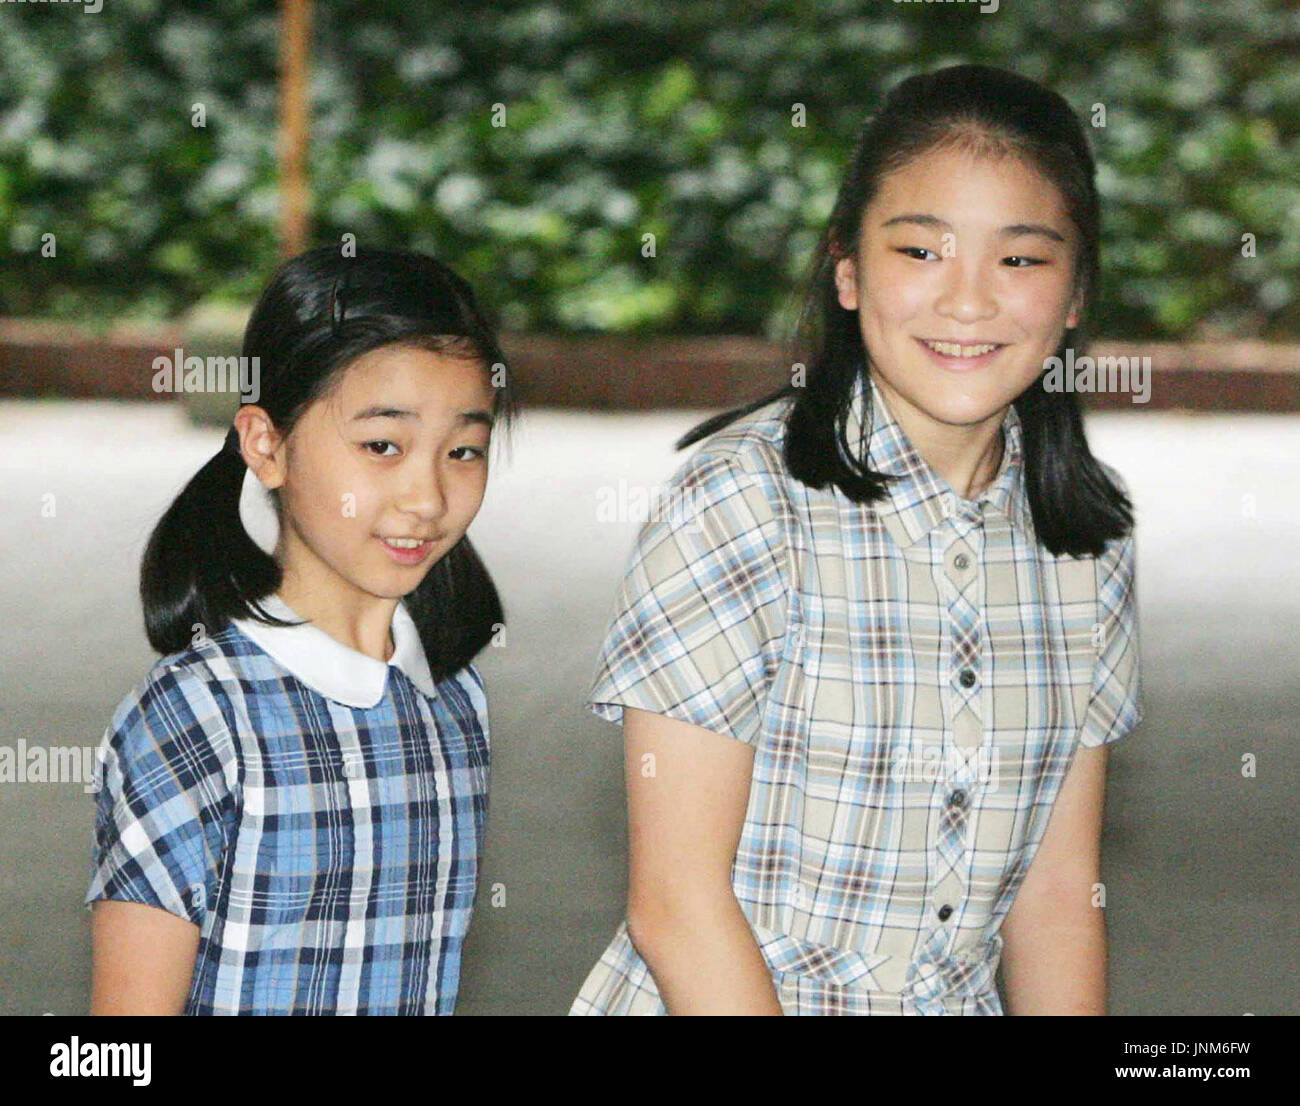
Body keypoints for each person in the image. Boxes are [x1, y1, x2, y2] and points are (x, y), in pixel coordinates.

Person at [572, 64, 1142, 1015]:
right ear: (847, 269)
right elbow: (675, 906)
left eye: (1020, 259)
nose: (967, 301)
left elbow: (1053, 905)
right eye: (920, 252)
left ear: (1076, 293)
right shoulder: (740, 501)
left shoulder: (1086, 539)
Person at [86, 245, 517, 1014]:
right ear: (266, 444)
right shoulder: (197, 716)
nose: (426, 496)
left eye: (464, 451)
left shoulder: (453, 702)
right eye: (382, 445)